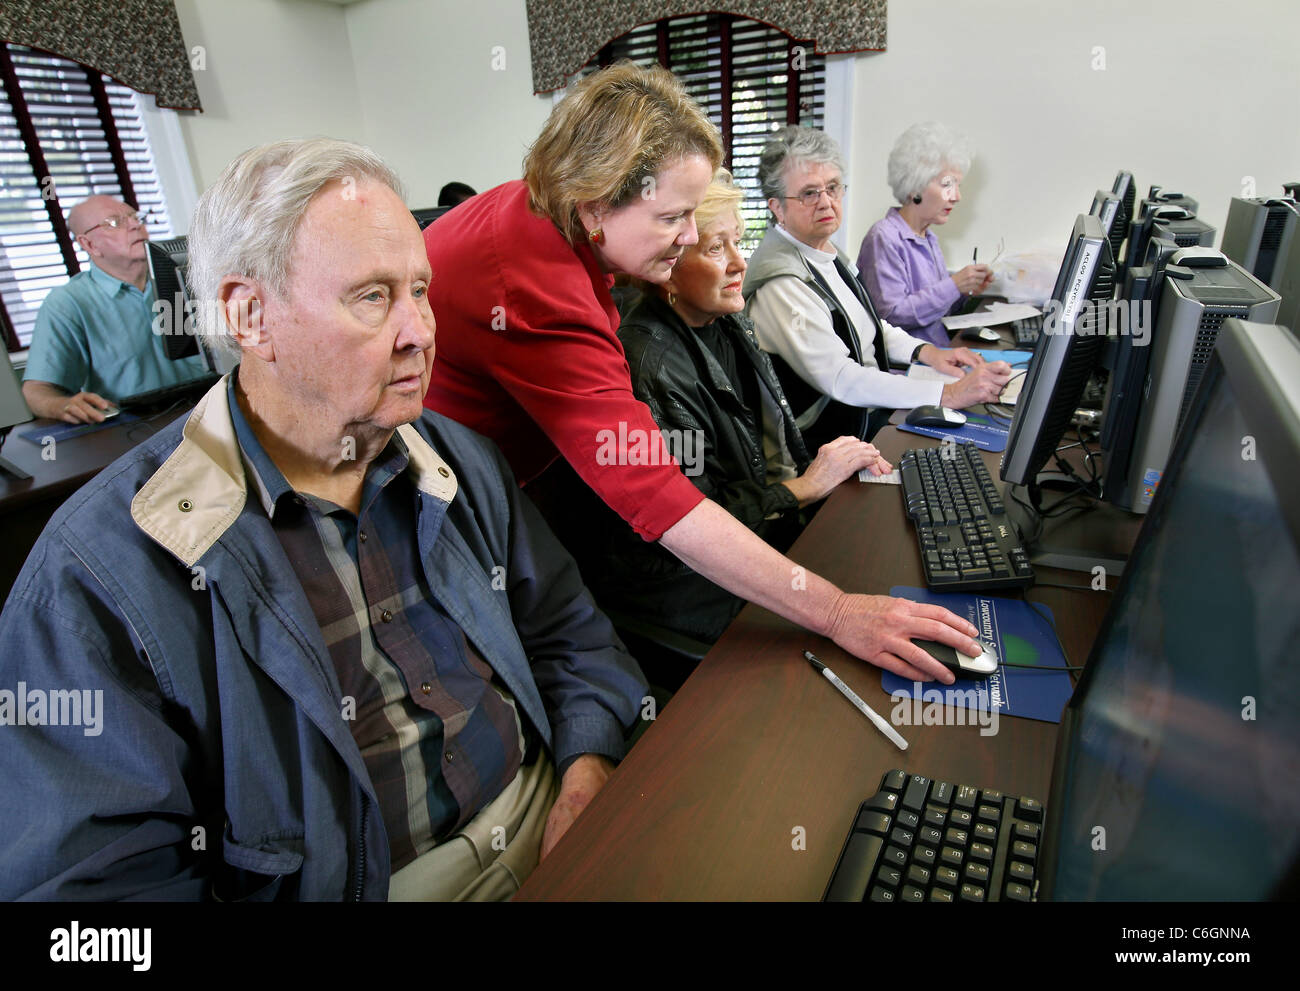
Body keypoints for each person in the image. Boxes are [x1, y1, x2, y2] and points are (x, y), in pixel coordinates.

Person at [0, 138, 646, 902]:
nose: (421, 332)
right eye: (373, 297)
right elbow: (95, 894)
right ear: (251, 317)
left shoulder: (462, 461)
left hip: (549, 816)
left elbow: (573, 635)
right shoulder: (95, 574)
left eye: (420, 290)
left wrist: (586, 769)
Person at [423, 62, 981, 684]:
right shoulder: (536, 291)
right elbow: (657, 496)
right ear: (594, 205)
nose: (689, 236)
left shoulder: (550, 206)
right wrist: (837, 610)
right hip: (458, 505)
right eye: (673, 220)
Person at [597, 169, 891, 643]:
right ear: (666, 263)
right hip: (688, 583)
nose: (740, 263)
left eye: (740, 241)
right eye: (716, 249)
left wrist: (824, 468)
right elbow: (694, 521)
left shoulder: (727, 319)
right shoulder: (650, 367)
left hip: (755, 531)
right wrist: (806, 487)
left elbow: (767, 449)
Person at [743, 126, 1011, 453]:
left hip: (865, 416)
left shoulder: (825, 252)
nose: (826, 202)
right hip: (831, 442)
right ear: (776, 207)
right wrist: (949, 394)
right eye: (809, 193)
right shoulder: (782, 282)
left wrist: (927, 352)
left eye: (832, 188)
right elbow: (842, 379)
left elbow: (869, 324)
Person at [21, 195, 209, 424]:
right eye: (114, 222)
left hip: (208, 410)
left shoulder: (191, 277)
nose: (134, 225)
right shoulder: (67, 303)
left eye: (134, 217)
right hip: (135, 430)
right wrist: (61, 405)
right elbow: (36, 390)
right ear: (89, 244)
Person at [856, 121, 994, 348]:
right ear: (915, 187)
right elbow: (892, 316)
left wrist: (967, 289)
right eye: (948, 185)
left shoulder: (928, 238)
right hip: (910, 366)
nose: (957, 196)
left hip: (939, 355)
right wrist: (953, 285)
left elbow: (937, 310)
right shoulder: (883, 238)